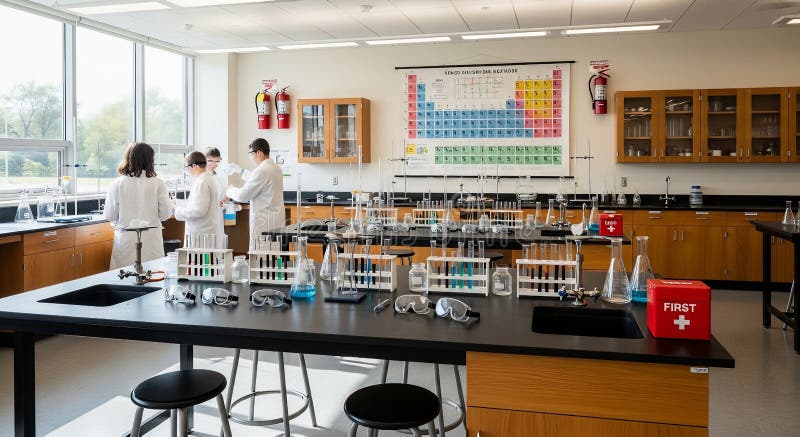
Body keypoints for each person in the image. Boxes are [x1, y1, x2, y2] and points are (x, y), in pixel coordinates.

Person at [104, 142, 174, 270]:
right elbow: (165, 215)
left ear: (128, 158)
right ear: (150, 160)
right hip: (151, 239)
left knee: (123, 280)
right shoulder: (158, 183)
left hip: (126, 238)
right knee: (153, 278)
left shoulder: (117, 183)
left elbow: (110, 215)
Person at [226, 138, 285, 245]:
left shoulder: (261, 170)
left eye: (251, 154)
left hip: (263, 222)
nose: (251, 158)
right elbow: (259, 181)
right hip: (275, 220)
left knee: (261, 257)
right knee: (275, 255)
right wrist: (241, 171)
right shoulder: (275, 167)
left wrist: (229, 190)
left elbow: (243, 196)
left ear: (259, 152)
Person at [174, 151, 223, 247]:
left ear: (195, 166)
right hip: (207, 231)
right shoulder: (208, 179)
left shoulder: (201, 182)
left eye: (187, 167)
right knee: (207, 260)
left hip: (201, 234)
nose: (187, 171)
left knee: (200, 261)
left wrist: (177, 211)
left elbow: (198, 211)